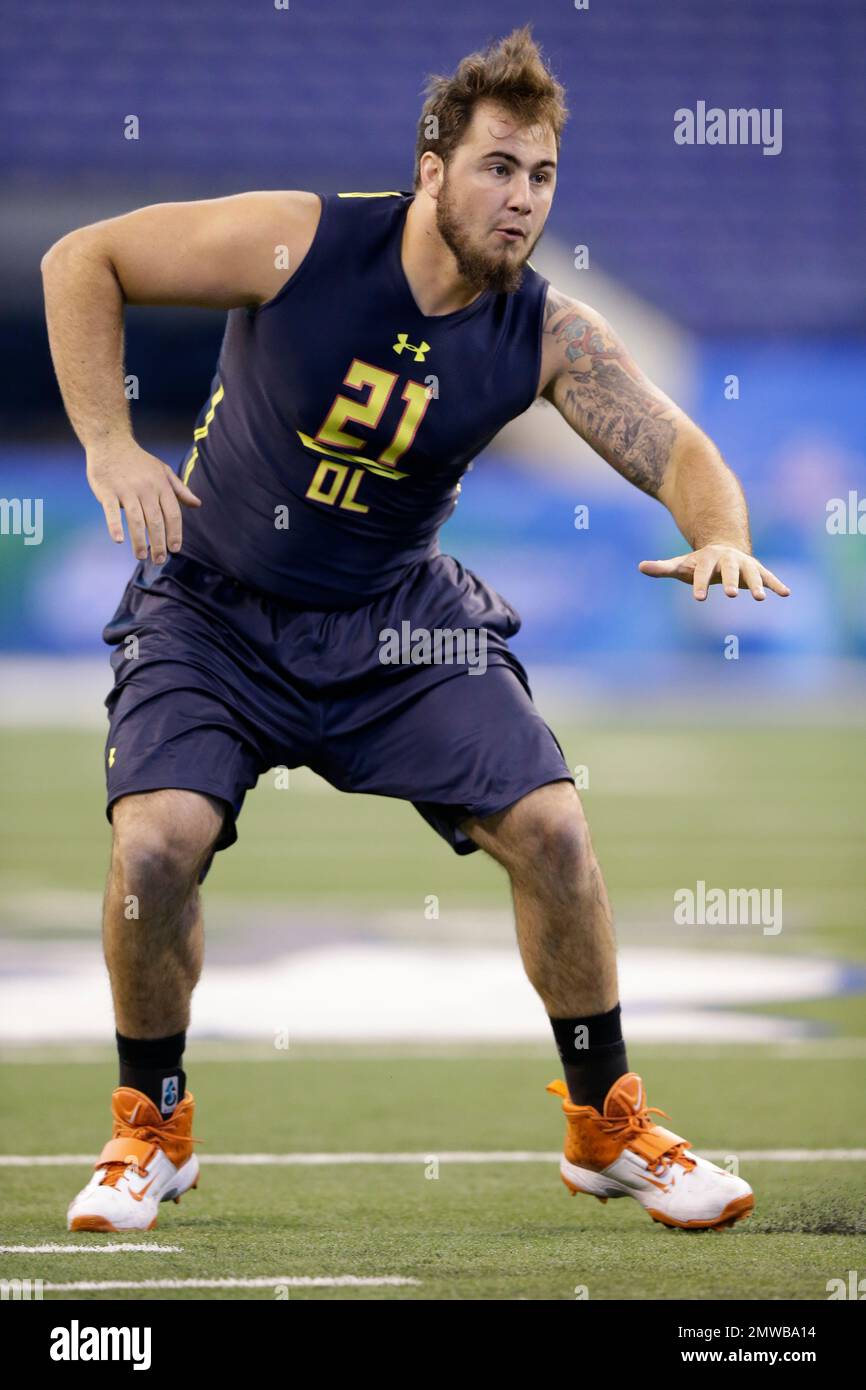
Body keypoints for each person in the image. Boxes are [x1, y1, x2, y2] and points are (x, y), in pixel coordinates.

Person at [41, 26, 787, 1234]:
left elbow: (679, 448)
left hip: (396, 621)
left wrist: (719, 530)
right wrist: (110, 444)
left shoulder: (542, 331)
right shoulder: (297, 239)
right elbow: (84, 258)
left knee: (552, 826)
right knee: (153, 850)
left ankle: (604, 1126)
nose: (521, 200)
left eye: (541, 178)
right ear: (431, 168)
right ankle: (152, 1127)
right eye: (498, 167)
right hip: (214, 605)